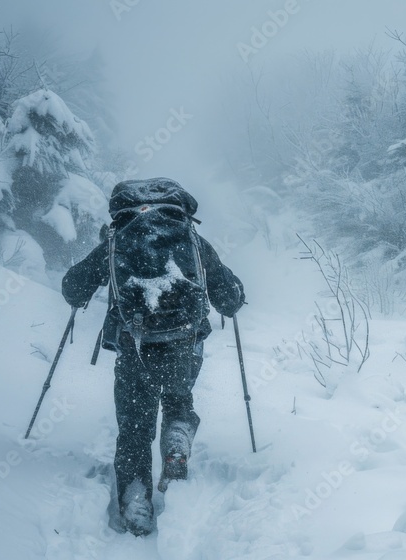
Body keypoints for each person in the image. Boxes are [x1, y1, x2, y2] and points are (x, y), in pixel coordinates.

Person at [61, 178, 245, 537]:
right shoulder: (191, 239)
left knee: (133, 427)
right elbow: (228, 297)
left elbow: (73, 288)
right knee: (178, 399)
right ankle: (177, 433)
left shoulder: (116, 241)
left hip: (135, 345)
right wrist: (235, 294)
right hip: (184, 344)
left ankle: (136, 502)